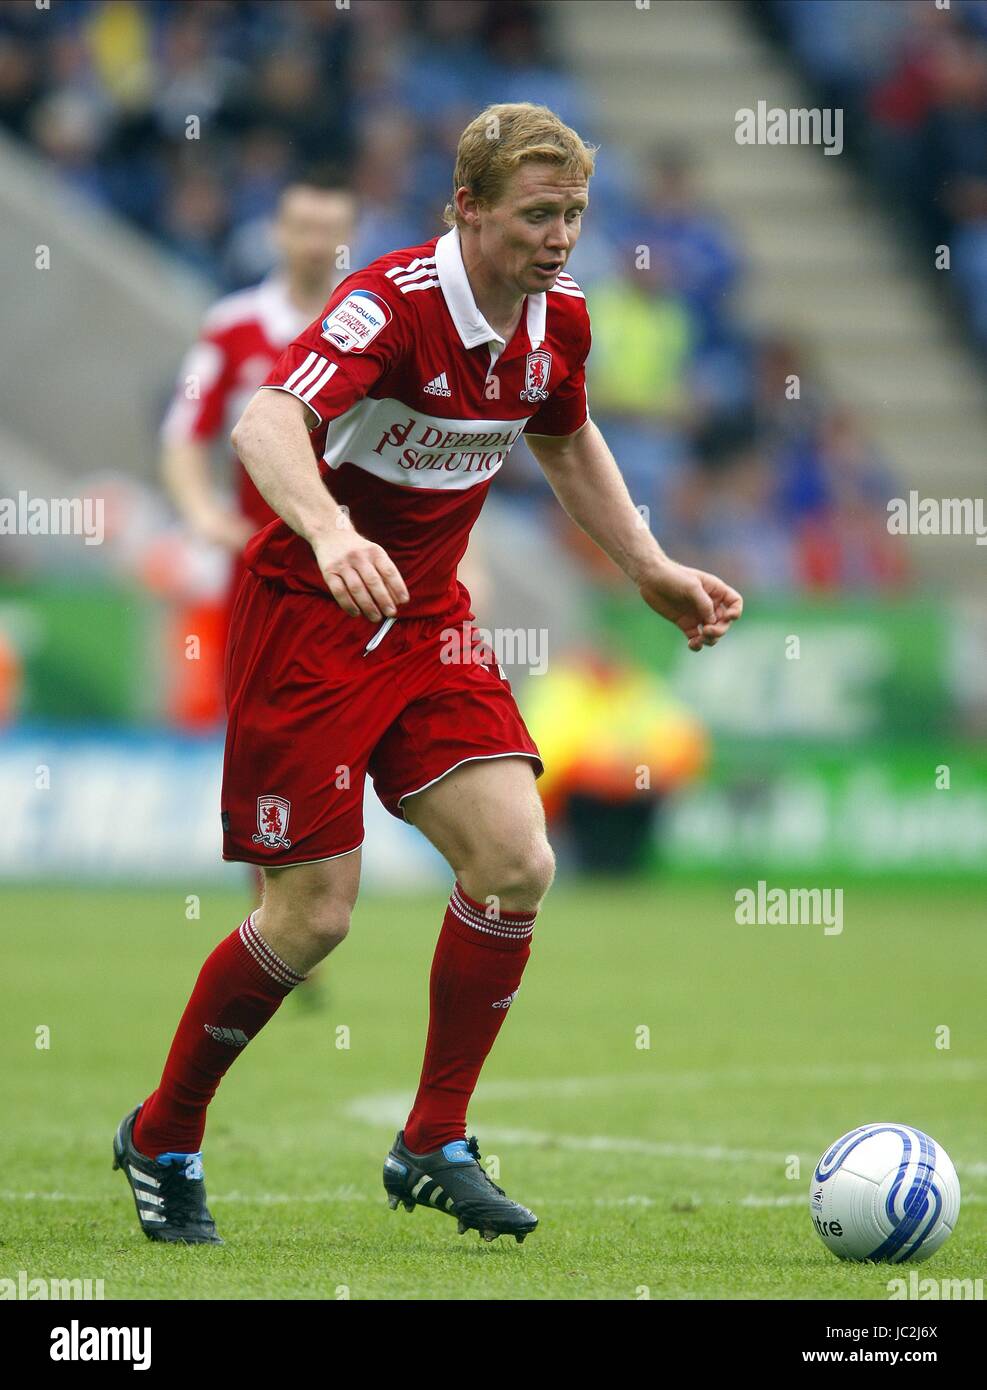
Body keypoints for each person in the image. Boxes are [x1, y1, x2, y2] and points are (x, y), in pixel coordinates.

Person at [114, 102, 742, 1247]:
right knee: (312, 920)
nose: (559, 239)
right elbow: (264, 423)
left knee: (516, 859)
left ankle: (434, 1137)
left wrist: (648, 565)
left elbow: (565, 437)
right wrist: (329, 533)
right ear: (468, 208)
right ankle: (163, 1133)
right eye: (536, 215)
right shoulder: (392, 304)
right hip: (307, 616)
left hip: (427, 622)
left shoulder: (563, 322)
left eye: (575, 216)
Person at [160, 176, 357, 646]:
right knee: (253, 700)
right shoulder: (233, 326)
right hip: (258, 552)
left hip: (354, 547)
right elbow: (185, 431)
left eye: (329, 229)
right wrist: (202, 512)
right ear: (278, 232)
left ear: (349, 236)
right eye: (304, 227)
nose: (316, 243)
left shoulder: (376, 323)